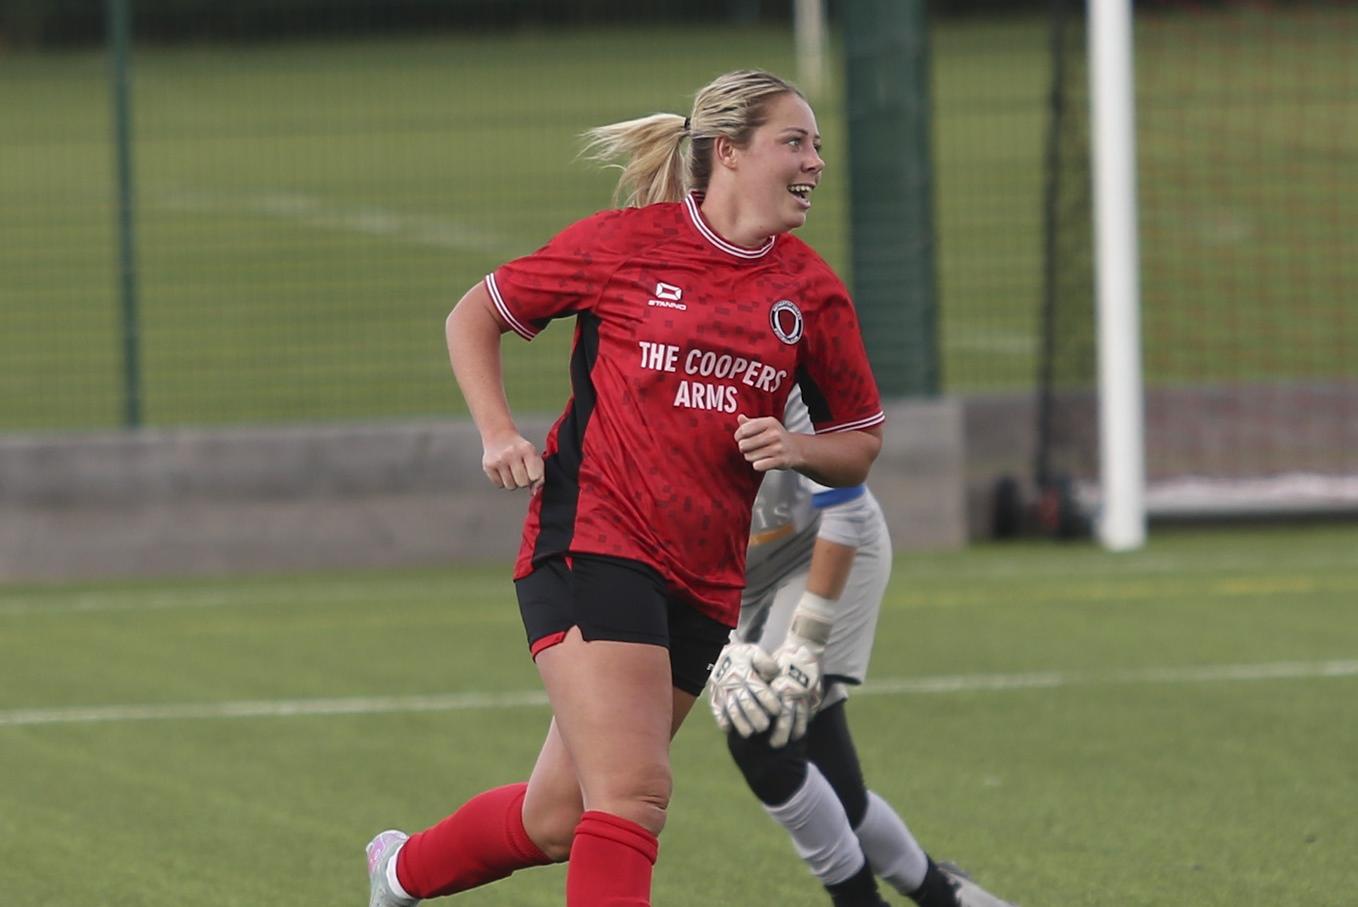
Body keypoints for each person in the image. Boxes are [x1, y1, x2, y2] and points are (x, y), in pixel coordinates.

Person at [363, 69, 886, 907]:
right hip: (593, 541)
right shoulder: (625, 244)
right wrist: (498, 432)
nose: (815, 161)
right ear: (729, 152)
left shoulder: (811, 292)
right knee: (635, 794)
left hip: (707, 578)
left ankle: (398, 872)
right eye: (795, 141)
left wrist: (797, 445)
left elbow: (860, 442)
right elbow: (476, 313)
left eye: (818, 144)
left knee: (557, 819)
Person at [708, 387, 1018, 907]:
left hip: (824, 554)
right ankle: (951, 898)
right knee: (834, 784)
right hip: (737, 584)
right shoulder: (638, 390)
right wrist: (717, 646)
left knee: (761, 735)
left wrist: (806, 640)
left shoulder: (771, 361)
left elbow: (845, 509)